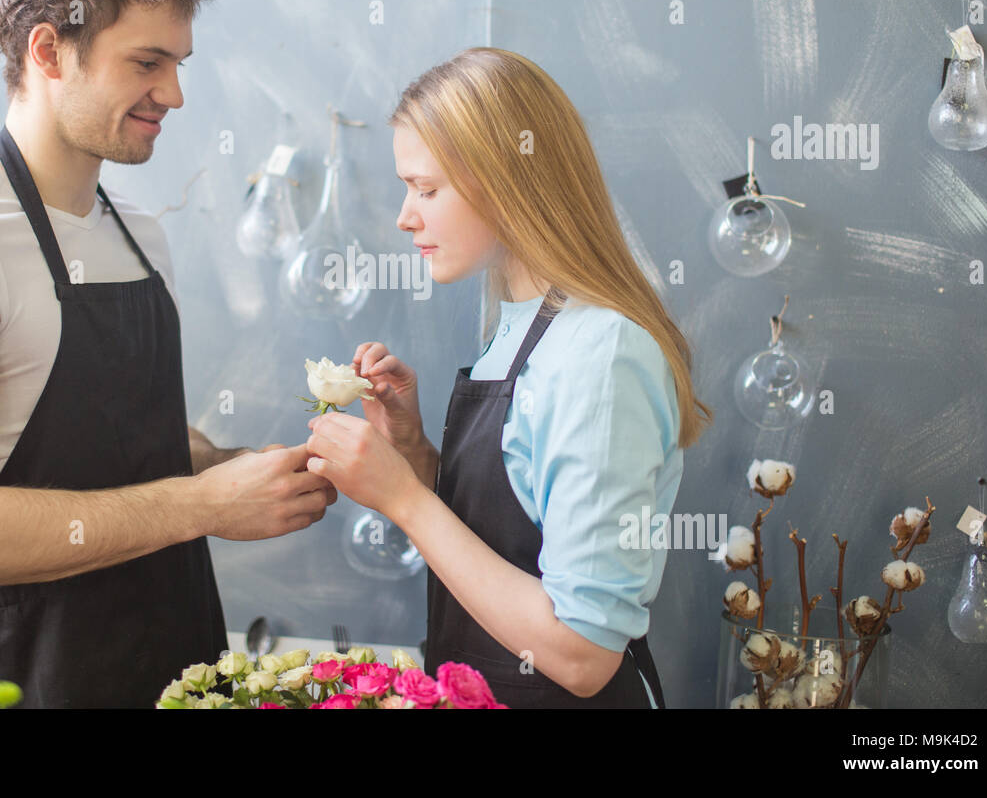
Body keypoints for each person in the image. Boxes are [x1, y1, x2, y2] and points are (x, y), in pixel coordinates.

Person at [0, 0, 335, 708]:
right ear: (48, 51)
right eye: (147, 62)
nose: (174, 94)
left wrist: (265, 470)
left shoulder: (138, 236)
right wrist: (203, 504)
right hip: (30, 683)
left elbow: (117, 442)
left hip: (179, 673)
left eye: (177, 63)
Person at [304, 48, 713, 708]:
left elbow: (581, 657)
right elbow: (510, 537)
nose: (405, 217)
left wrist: (403, 500)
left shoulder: (602, 353)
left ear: (507, 181)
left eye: (426, 189)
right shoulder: (517, 327)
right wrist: (411, 455)